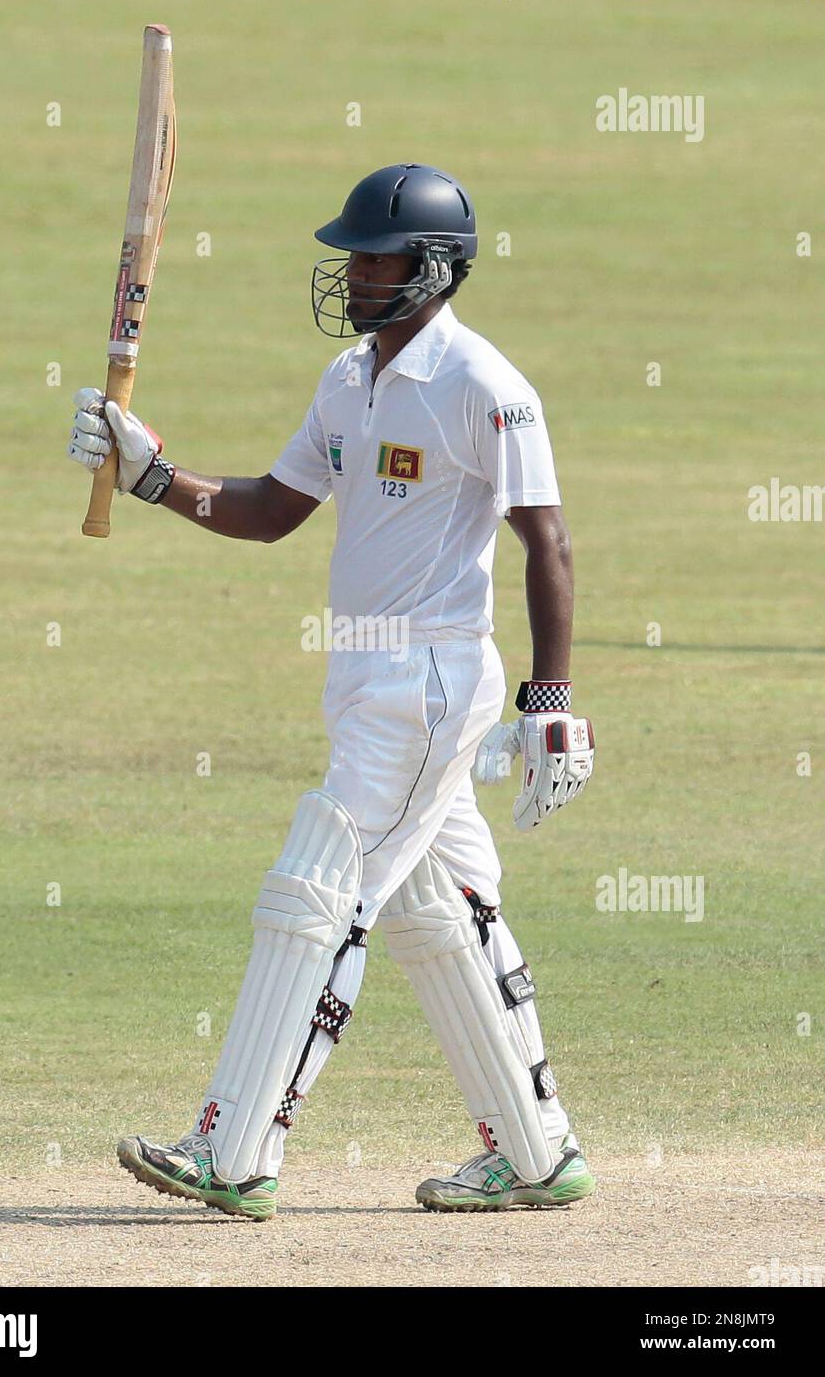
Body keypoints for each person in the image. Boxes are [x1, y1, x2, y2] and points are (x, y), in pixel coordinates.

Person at [67, 162, 596, 1221]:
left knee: (317, 889)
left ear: (433, 269)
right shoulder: (350, 380)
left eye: (373, 255)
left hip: (434, 680)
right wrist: (153, 476)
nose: (352, 273)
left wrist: (550, 703)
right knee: (439, 909)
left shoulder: (485, 386)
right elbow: (271, 509)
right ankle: (537, 1155)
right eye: (349, 256)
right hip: (365, 677)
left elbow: (550, 542)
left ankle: (238, 1147)